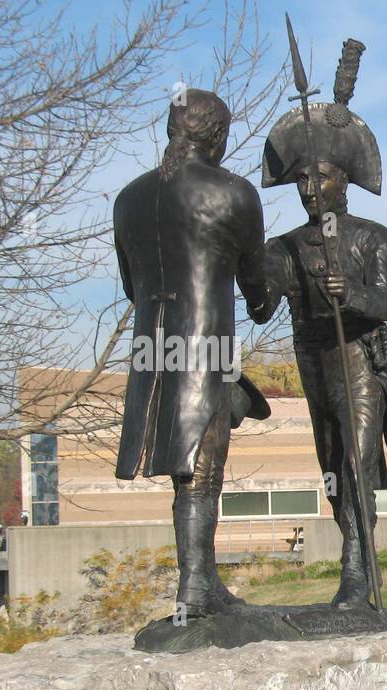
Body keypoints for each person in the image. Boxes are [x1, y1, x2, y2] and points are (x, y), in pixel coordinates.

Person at [253, 42, 387, 608]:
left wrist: (351, 295)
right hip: (313, 363)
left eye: (318, 179)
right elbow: (260, 304)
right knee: (330, 466)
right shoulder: (284, 246)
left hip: (359, 363)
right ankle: (360, 568)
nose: (307, 189)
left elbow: (384, 301)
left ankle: (356, 575)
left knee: (357, 462)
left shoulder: (374, 237)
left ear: (341, 180)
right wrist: (244, 261)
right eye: (300, 180)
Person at [113, 89, 271, 617]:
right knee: (203, 468)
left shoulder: (128, 198)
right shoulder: (234, 193)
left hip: (152, 348)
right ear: (219, 136)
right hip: (205, 346)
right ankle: (196, 587)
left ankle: (199, 580)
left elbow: (132, 286)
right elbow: (259, 293)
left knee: (187, 473)